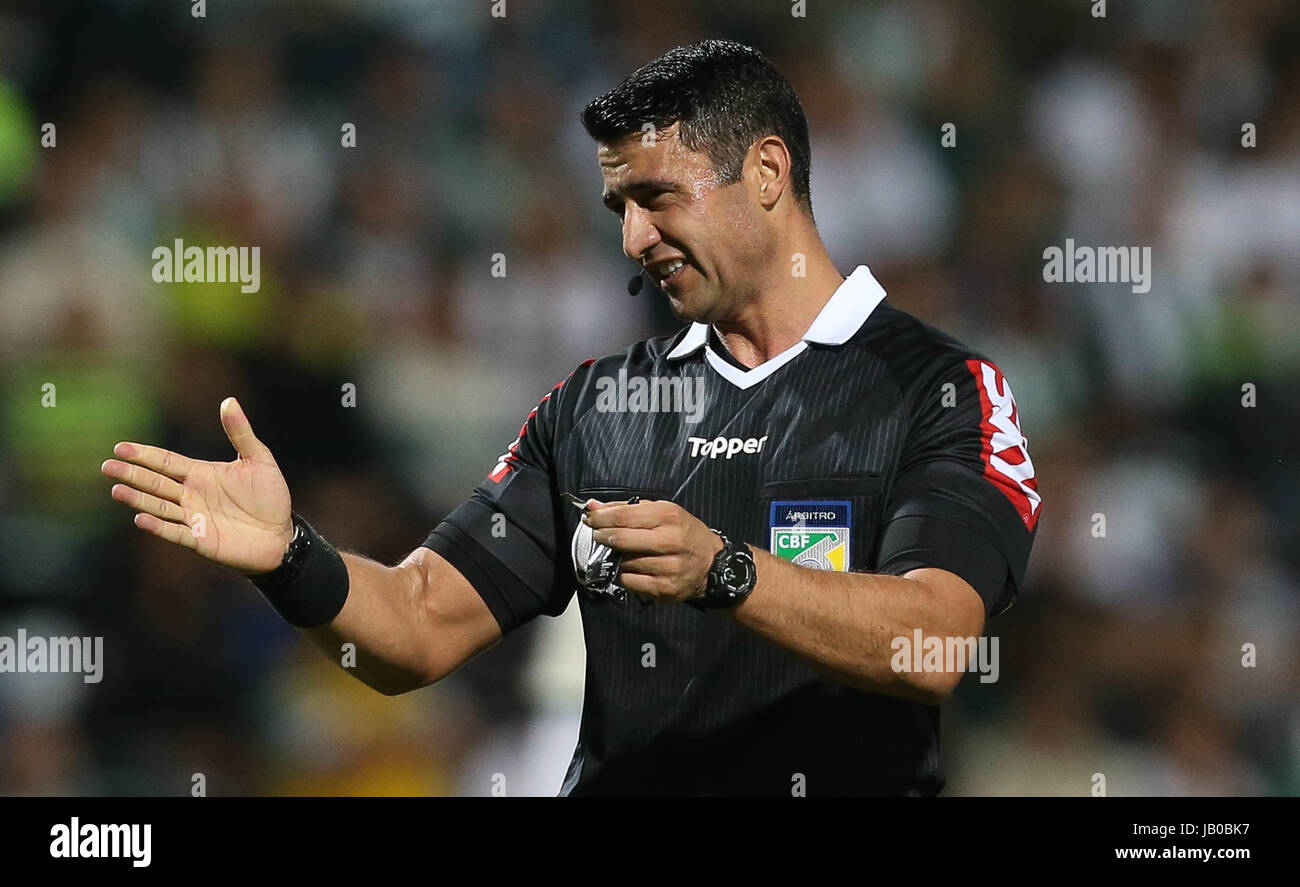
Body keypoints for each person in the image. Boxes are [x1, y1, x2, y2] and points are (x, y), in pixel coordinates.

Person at [101, 39, 1040, 795]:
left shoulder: (940, 388)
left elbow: (937, 640)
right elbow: (420, 627)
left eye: (657, 197)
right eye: (618, 207)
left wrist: (727, 572)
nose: (634, 239)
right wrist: (290, 557)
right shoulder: (597, 406)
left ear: (765, 172)